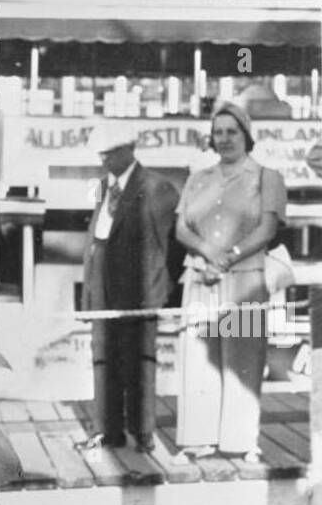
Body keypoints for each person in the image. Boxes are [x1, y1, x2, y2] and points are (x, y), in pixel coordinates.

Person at [175, 100, 287, 462]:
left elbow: (267, 228)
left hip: (246, 281)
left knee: (243, 359)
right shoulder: (198, 178)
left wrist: (229, 256)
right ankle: (198, 438)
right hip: (200, 277)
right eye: (218, 132)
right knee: (198, 358)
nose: (224, 139)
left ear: (247, 135)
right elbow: (181, 228)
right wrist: (208, 252)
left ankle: (240, 442)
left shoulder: (267, 177)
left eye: (231, 132)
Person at [81, 122, 179, 454]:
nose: (104, 160)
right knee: (103, 359)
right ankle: (108, 430)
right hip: (102, 289)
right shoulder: (101, 188)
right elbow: (95, 241)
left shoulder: (156, 187)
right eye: (101, 154)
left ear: (129, 150)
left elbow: (168, 246)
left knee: (140, 361)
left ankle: (143, 432)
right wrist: (88, 294)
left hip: (138, 291)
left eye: (110, 153)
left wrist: (158, 291)